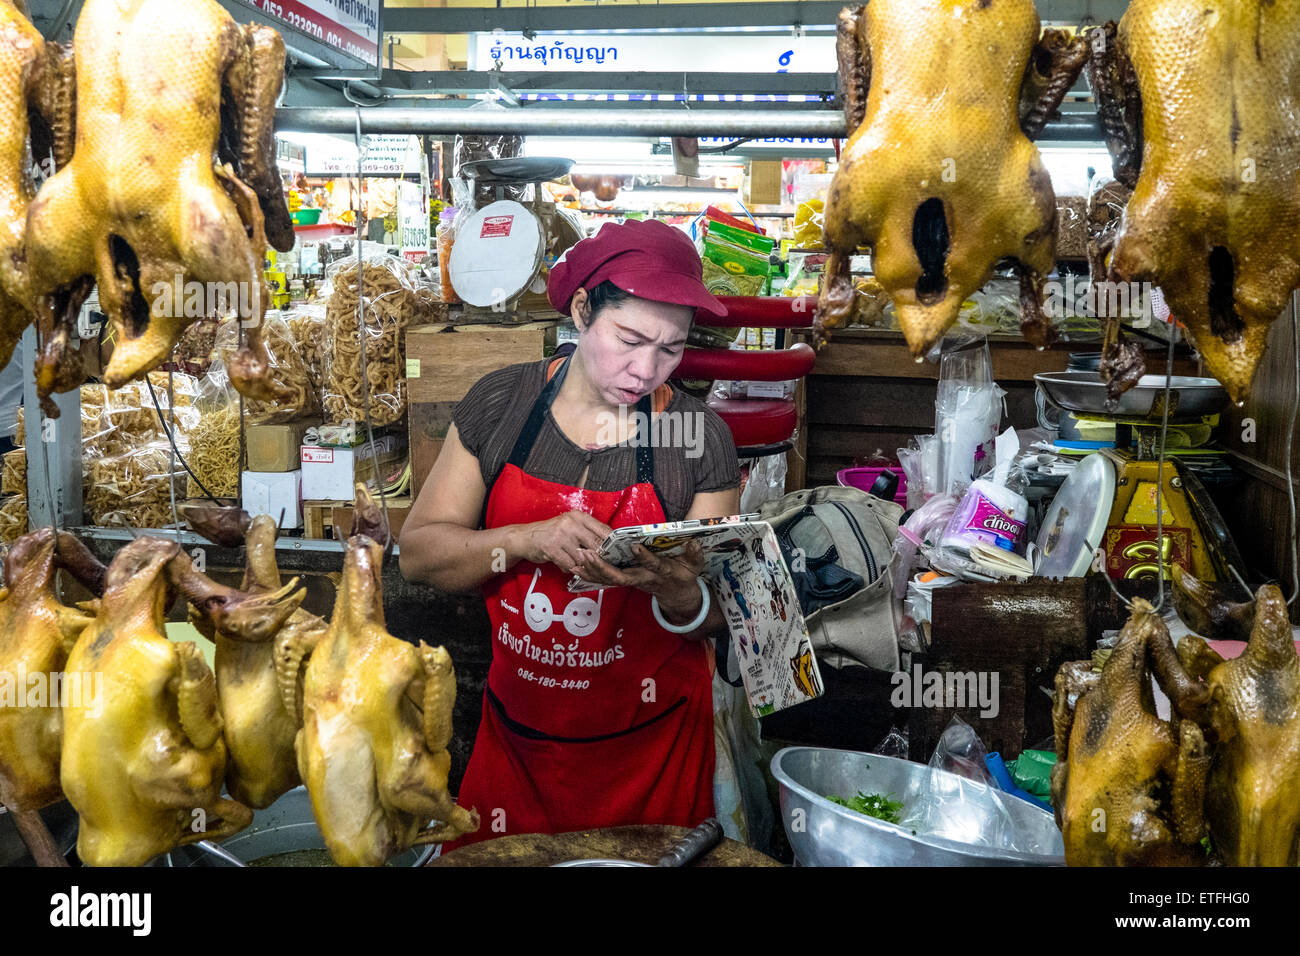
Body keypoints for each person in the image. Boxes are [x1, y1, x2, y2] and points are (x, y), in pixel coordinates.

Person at [399, 218, 741, 845]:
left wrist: (677, 593)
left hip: (652, 755)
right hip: (520, 749)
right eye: (630, 338)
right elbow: (420, 554)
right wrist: (527, 539)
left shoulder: (697, 441)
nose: (646, 370)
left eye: (671, 349)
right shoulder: (502, 406)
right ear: (584, 310)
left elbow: (725, 611)